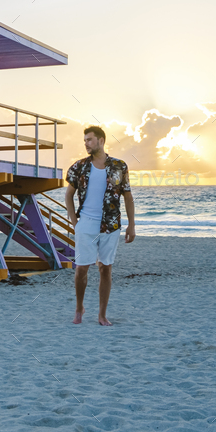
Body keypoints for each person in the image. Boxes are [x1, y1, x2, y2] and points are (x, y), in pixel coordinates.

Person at [65, 126, 135, 326]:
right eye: (85, 140)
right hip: (86, 224)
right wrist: (74, 222)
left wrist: (132, 225)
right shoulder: (79, 167)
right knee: (81, 269)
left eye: (89, 139)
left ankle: (102, 314)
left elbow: (128, 198)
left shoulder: (119, 166)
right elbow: (68, 195)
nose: (86, 143)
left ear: (101, 141)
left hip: (111, 225)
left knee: (105, 268)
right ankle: (79, 308)